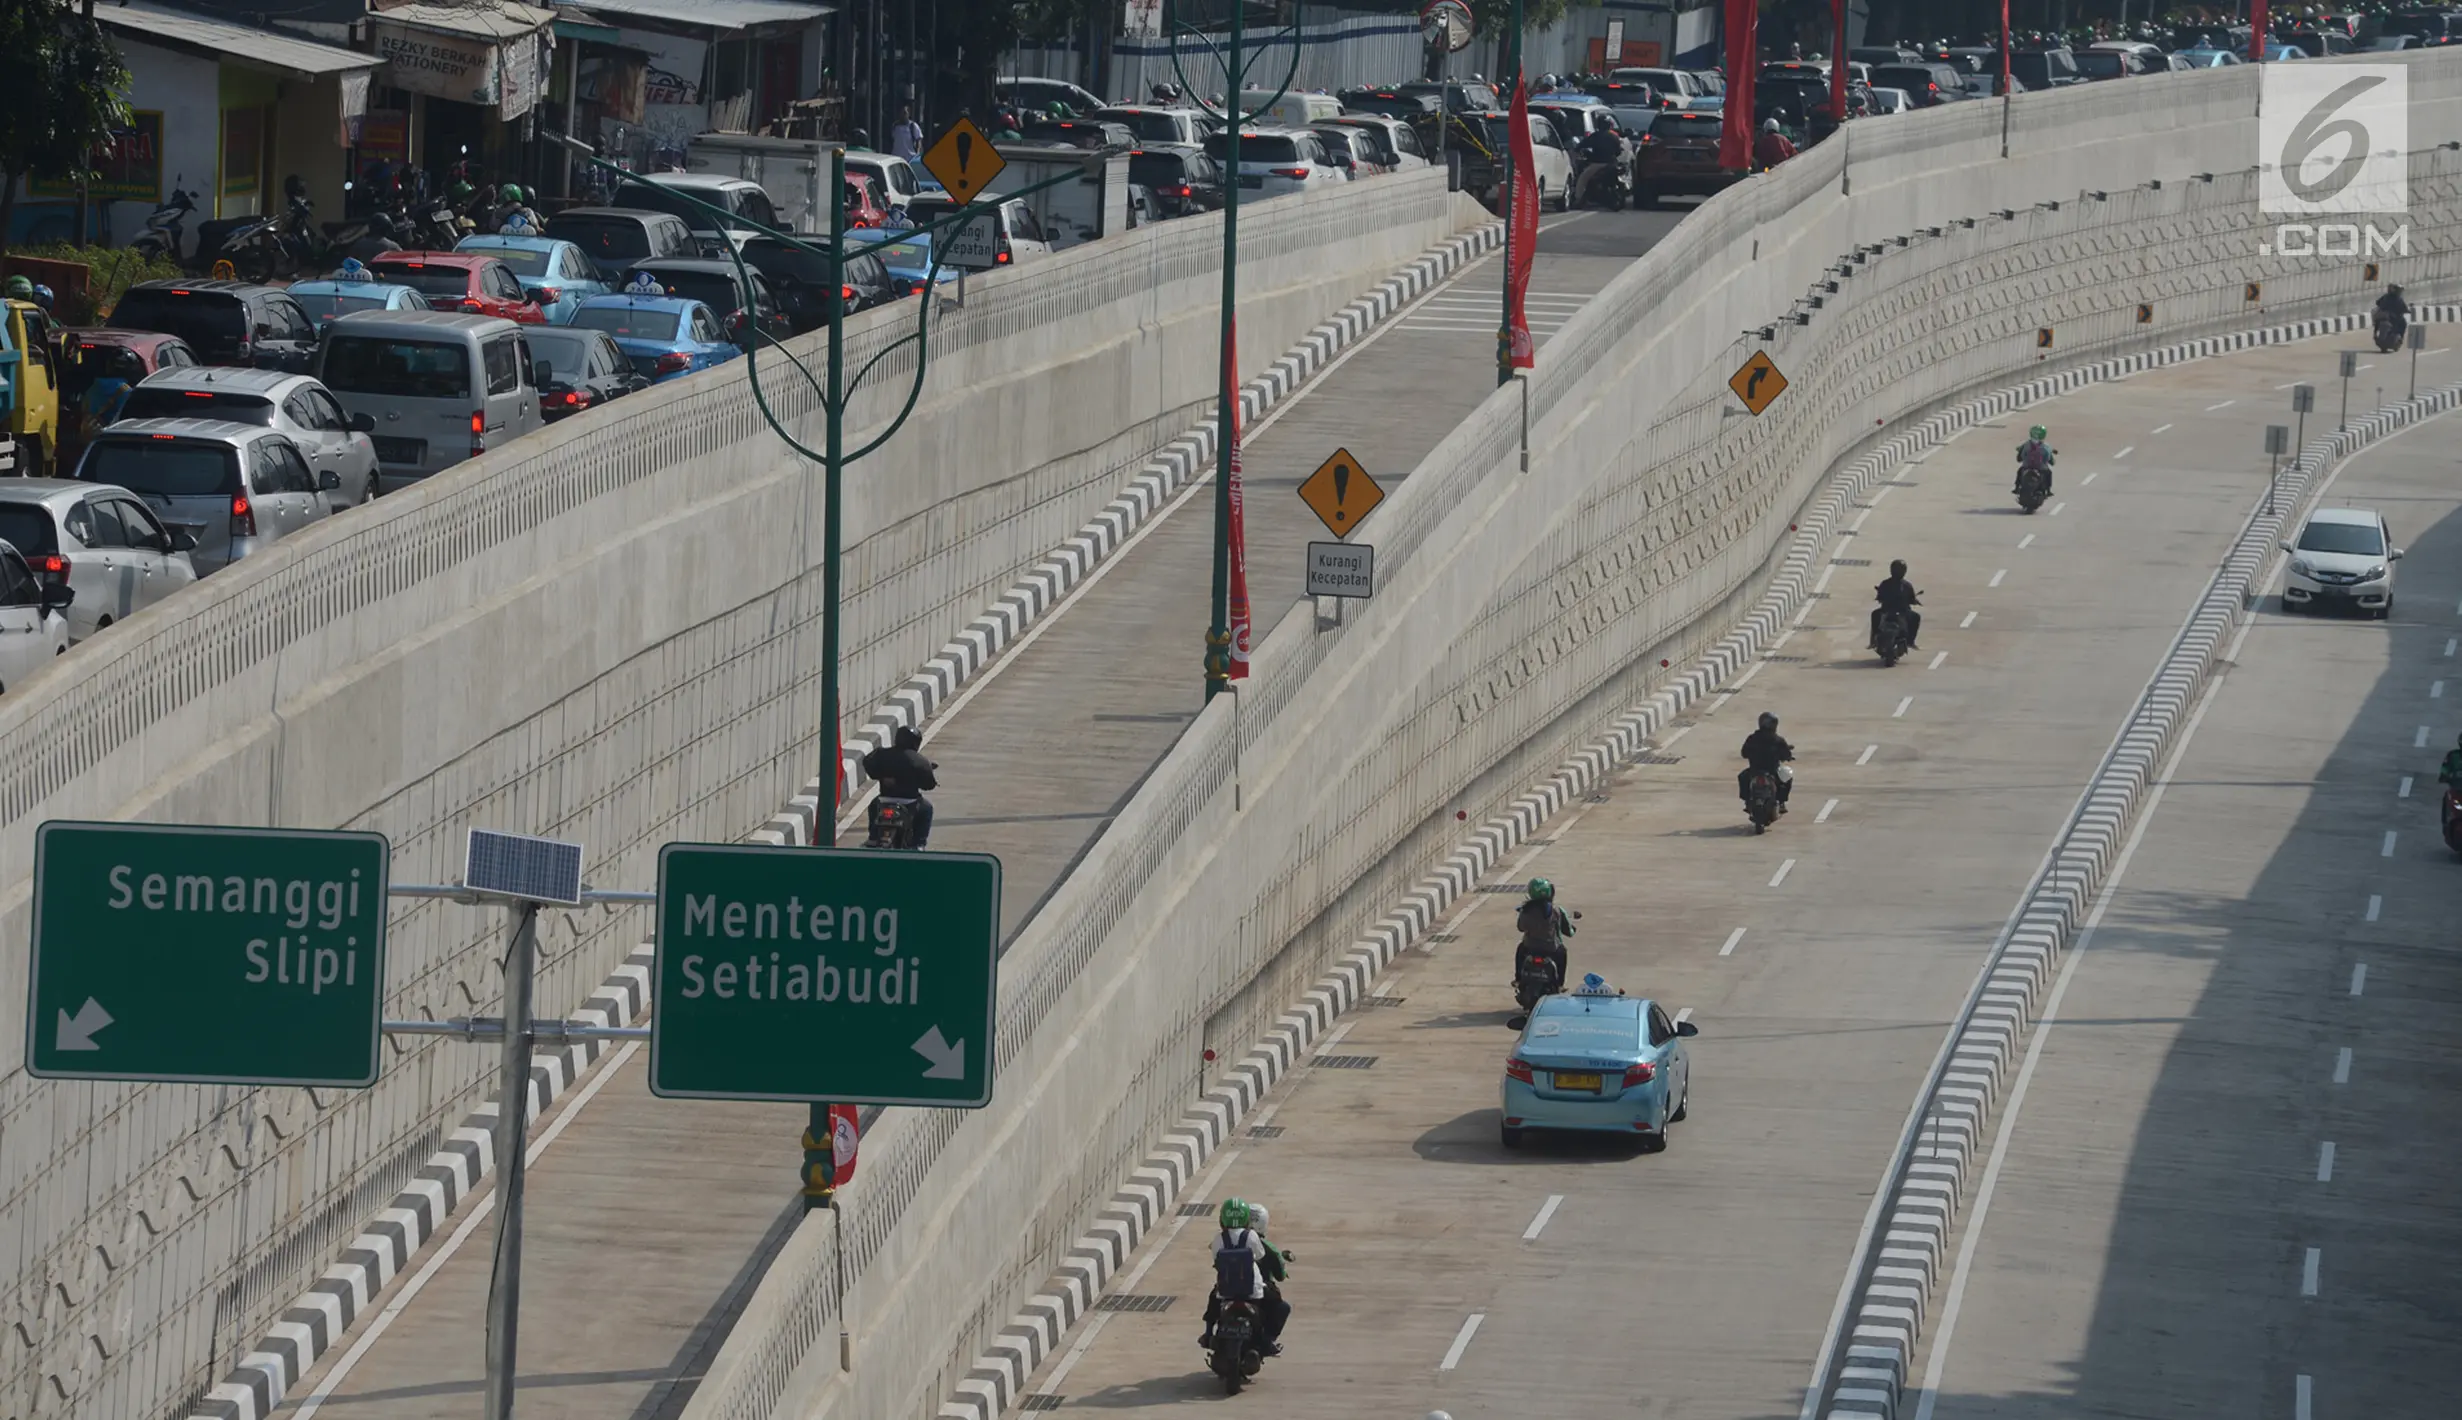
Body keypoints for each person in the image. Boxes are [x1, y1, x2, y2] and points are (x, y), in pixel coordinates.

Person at [1200, 1198, 1290, 1354]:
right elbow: (1260, 1255)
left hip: (1226, 1289)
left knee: (1213, 1299)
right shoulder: (1252, 1237)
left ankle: (1208, 1333)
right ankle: (1267, 1341)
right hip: (1253, 1289)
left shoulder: (1218, 1239)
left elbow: (1216, 1259)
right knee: (1281, 1306)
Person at [860, 725, 939, 847]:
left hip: (884, 800)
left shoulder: (881, 754)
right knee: (927, 809)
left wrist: (882, 776)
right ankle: (919, 844)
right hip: (910, 802)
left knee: (873, 806)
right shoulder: (920, 761)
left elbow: (868, 763)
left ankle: (874, 837)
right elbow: (928, 785)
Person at [1513, 877, 1574, 989]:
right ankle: (1560, 984)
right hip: (1551, 949)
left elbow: (1520, 927)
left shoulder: (1525, 910)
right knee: (1563, 953)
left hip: (1530, 947)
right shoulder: (1556, 910)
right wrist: (1572, 930)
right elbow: (1568, 931)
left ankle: (1518, 979)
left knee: (1520, 950)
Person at [1738, 711, 1795, 813]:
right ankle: (1781, 803)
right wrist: (1788, 757)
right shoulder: (1777, 740)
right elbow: (1786, 754)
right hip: (1772, 770)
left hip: (1754, 770)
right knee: (1786, 778)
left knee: (1742, 777)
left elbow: (1744, 753)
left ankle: (1747, 801)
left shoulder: (1752, 738)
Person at [1871, 559, 1923, 650]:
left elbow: (1880, 596)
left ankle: (1873, 641)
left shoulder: (1886, 583)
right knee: (1916, 617)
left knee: (1875, 614)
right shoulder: (1906, 585)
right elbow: (1911, 598)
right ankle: (1911, 641)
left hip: (1892, 611)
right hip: (1899, 611)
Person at [1573, 122, 1625, 204]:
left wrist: (1578, 149)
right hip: (1612, 163)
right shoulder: (1614, 137)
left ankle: (1578, 199)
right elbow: (1618, 151)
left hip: (1598, 163)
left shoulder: (1595, 136)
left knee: (1582, 178)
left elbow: (1582, 145)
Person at [2015, 423, 2055, 496]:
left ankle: (2017, 487)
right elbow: (2048, 459)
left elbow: (2021, 456)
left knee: (2019, 472)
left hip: (2027, 466)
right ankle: (2048, 490)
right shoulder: (2045, 446)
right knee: (2049, 473)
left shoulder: (2026, 444)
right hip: (2041, 468)